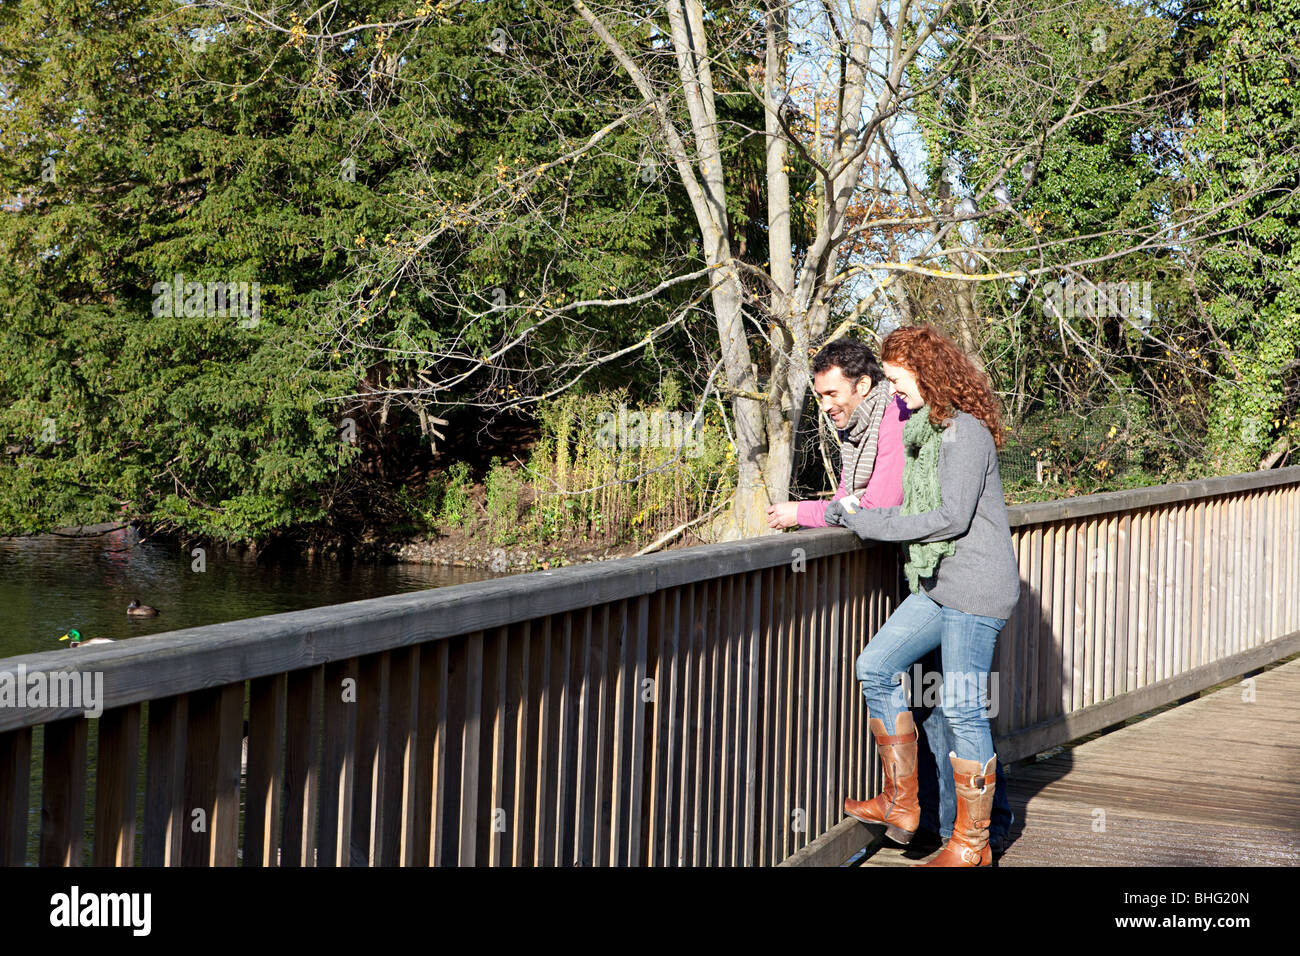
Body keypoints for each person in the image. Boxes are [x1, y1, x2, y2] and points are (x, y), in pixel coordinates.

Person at [825, 324, 1020, 867]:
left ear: (924, 371)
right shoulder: (926, 434)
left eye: (895, 378)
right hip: (938, 586)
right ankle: (903, 802)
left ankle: (971, 846)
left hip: (975, 588)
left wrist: (869, 524)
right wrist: (855, 510)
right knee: (875, 666)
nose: (892, 389)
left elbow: (949, 517)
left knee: (960, 708)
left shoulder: (965, 432)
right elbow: (908, 505)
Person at [766, 338, 906, 532]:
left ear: (863, 385)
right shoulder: (854, 426)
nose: (825, 406)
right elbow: (845, 495)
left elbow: (878, 510)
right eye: (821, 396)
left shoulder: (897, 417)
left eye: (832, 394)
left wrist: (802, 512)